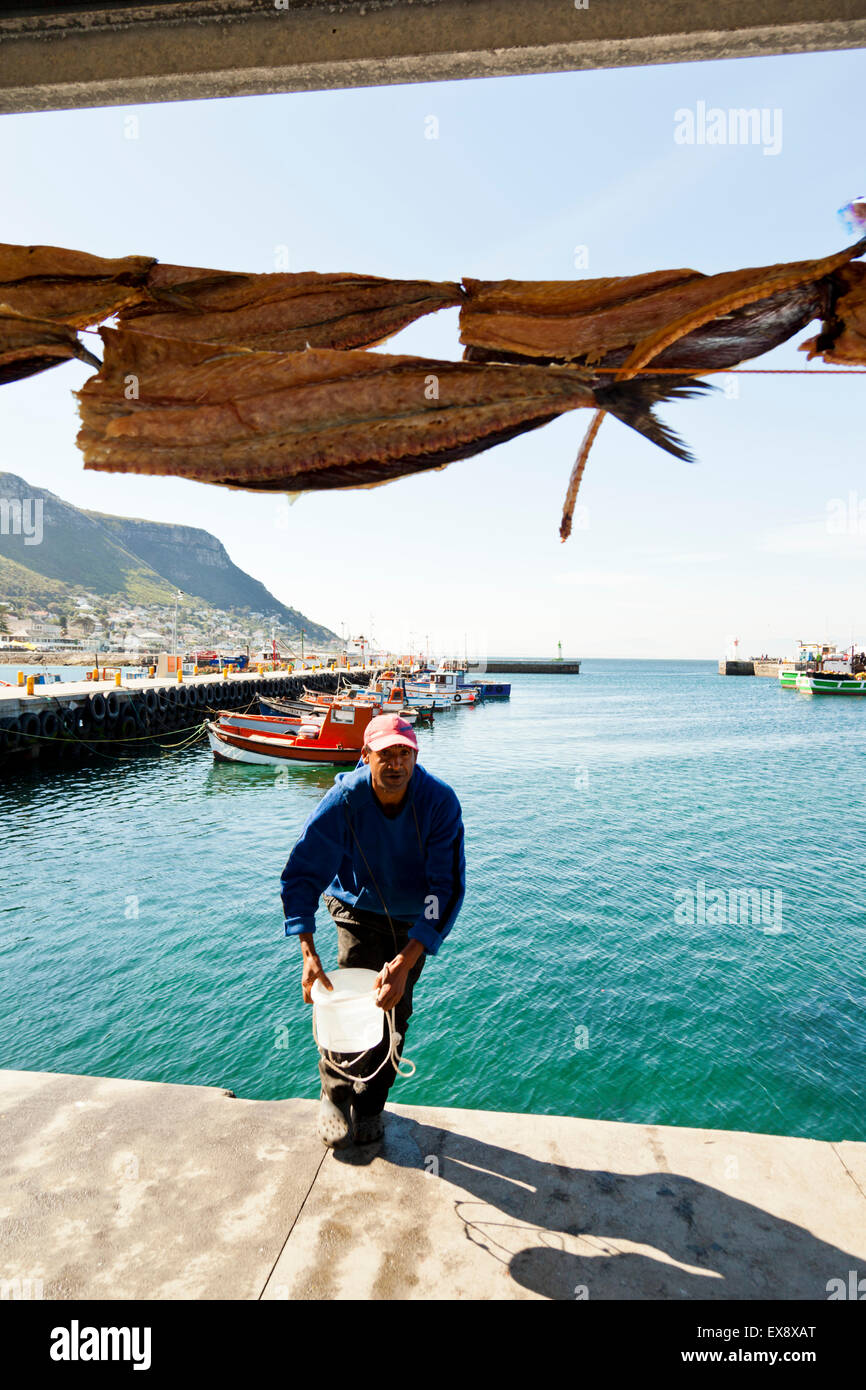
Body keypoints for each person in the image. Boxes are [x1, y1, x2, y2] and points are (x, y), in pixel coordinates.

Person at [280, 712, 465, 1148]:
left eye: (405, 753)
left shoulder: (439, 802)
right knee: (351, 1009)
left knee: (394, 1013)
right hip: (355, 909)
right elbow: (302, 875)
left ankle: (370, 1105)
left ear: (416, 757)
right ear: (366, 756)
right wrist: (308, 952)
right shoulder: (344, 799)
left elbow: (445, 888)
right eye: (386, 754)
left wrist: (406, 959)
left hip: (413, 920)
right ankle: (334, 1092)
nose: (396, 764)